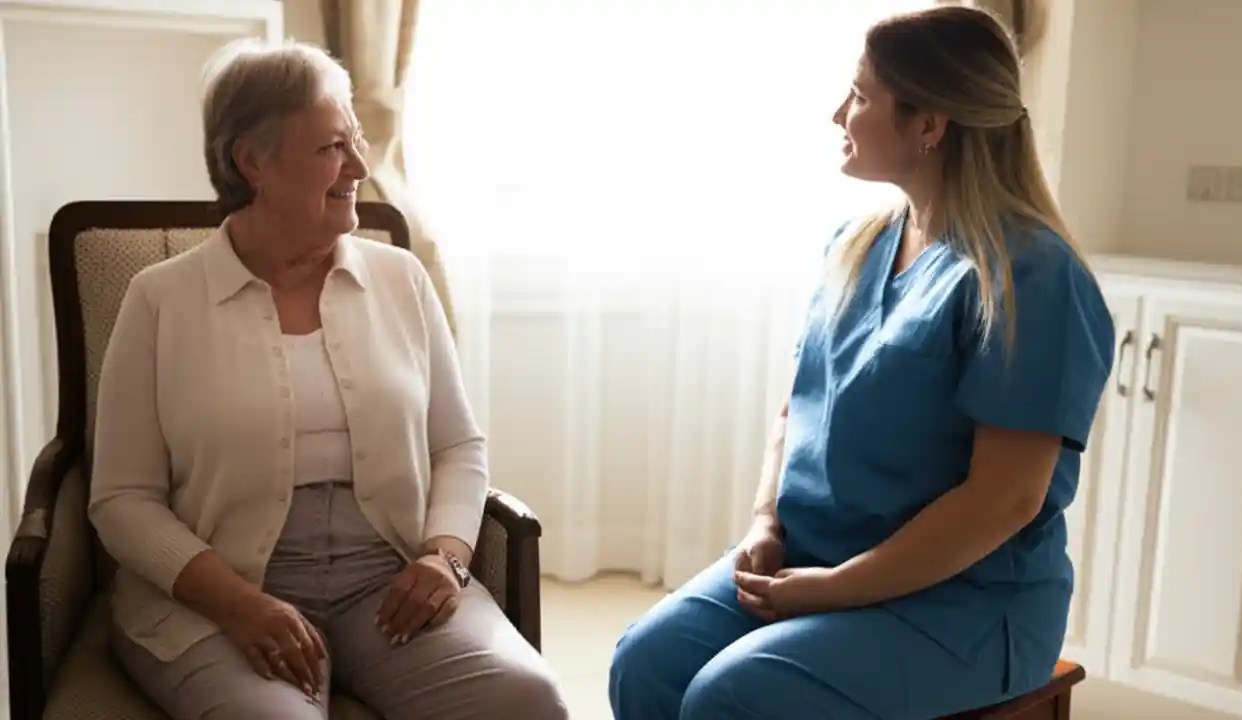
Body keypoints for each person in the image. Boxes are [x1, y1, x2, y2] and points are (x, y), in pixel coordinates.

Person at [609, 6, 1115, 719]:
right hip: (811, 557)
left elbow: (1005, 500)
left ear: (929, 125)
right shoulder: (858, 242)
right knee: (646, 664)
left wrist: (830, 588)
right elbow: (798, 408)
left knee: (735, 697)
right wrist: (764, 523)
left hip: (965, 606)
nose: (838, 112)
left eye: (861, 95)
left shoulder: (1030, 277)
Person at [88, 39, 567, 720]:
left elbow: (458, 447)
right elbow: (122, 498)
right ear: (253, 161)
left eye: (357, 141)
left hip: (387, 575)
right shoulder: (159, 299)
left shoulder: (400, 277)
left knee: (527, 699)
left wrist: (444, 557)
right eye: (331, 148)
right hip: (222, 589)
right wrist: (241, 606)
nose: (360, 166)